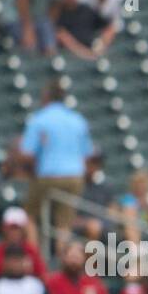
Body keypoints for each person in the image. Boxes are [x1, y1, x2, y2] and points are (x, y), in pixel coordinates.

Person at [18, 82, 93, 237]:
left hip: (48, 174)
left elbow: (26, 153)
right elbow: (87, 154)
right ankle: (63, 257)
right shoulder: (77, 120)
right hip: (74, 176)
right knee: (64, 225)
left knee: (29, 216)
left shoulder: (40, 119)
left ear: (46, 97)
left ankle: (35, 257)